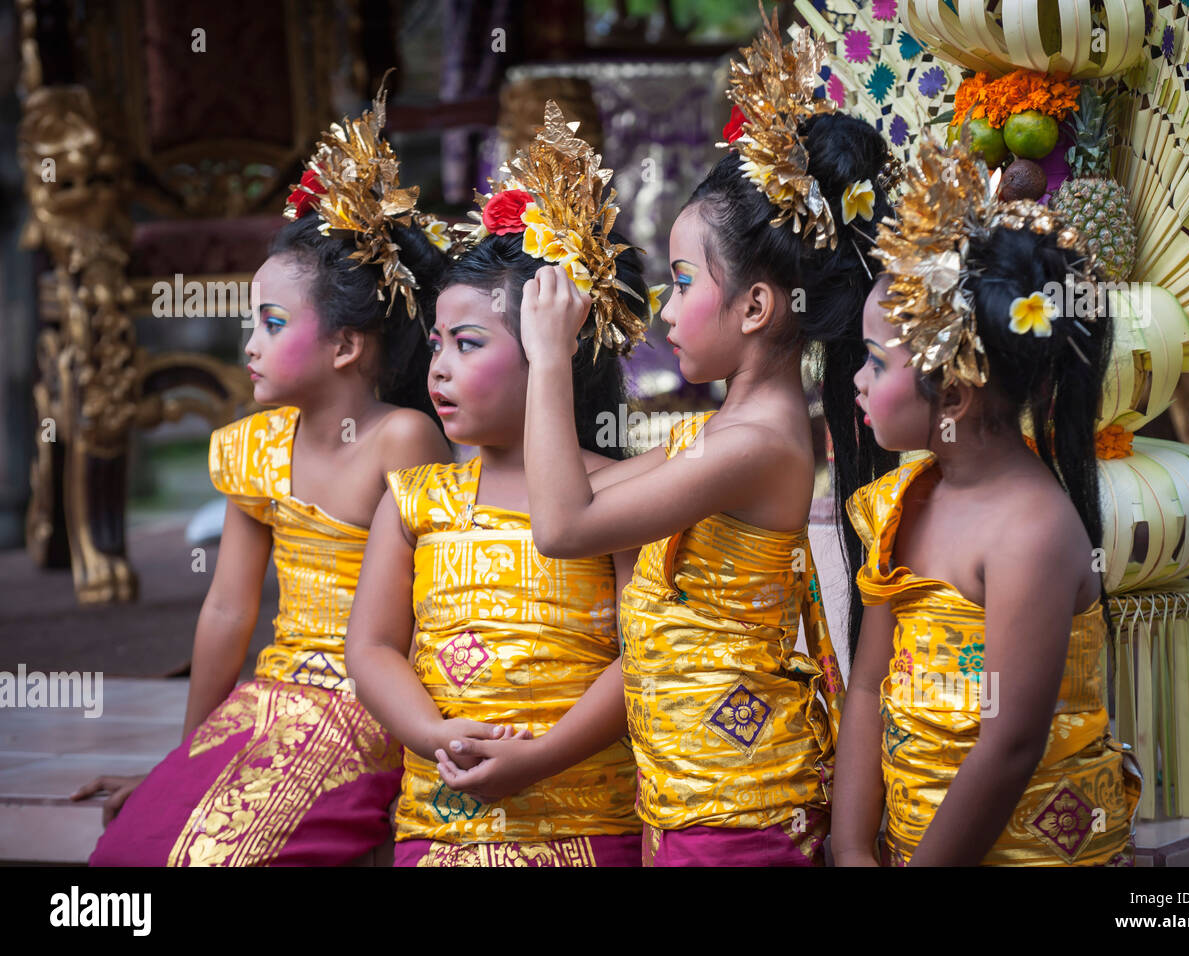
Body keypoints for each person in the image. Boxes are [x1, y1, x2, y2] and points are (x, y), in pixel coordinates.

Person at [440, 15, 894, 866]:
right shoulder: (721, 431)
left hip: (738, 807)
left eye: (683, 282)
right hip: (696, 798)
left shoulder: (757, 444)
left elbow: (563, 525)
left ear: (757, 308)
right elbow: (591, 492)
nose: (666, 307)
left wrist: (545, 361)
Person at [77, 88, 454, 865]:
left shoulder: (403, 440)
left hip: (365, 707)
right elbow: (226, 613)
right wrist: (182, 764)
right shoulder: (252, 447)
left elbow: (432, 619)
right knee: (126, 855)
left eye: (271, 324)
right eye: (252, 320)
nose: (248, 344)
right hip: (268, 698)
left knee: (210, 857)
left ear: (347, 347)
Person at [344, 102, 653, 867]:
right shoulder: (415, 498)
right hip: (440, 820)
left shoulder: (620, 494)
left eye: (469, 343)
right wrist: (432, 733)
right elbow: (373, 646)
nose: (437, 368)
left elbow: (643, 656)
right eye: (437, 344)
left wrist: (541, 755)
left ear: (554, 353)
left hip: (584, 821)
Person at [831, 133, 1141, 866]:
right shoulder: (903, 501)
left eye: (876, 362)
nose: (858, 381)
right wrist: (849, 850)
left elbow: (1009, 745)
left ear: (958, 395)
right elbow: (871, 687)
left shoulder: (1029, 533)